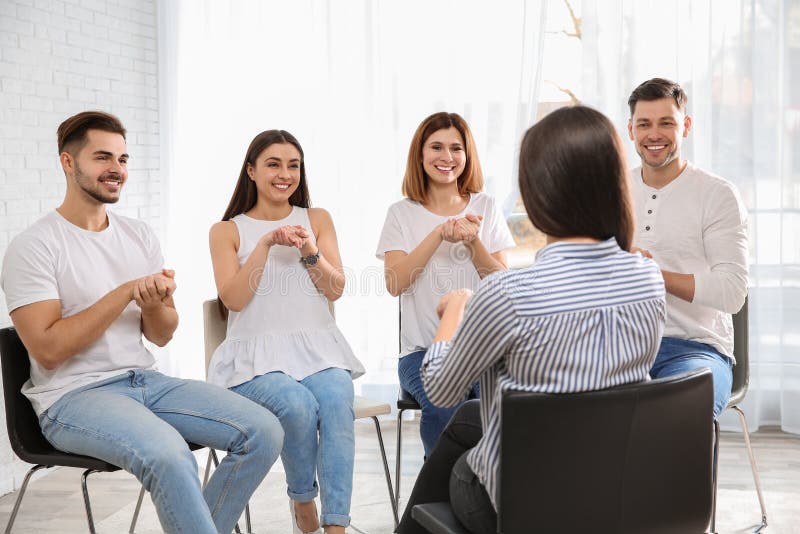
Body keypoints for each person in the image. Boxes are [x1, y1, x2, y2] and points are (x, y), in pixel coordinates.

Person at [0, 111, 283, 534]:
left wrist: (153, 305)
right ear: (67, 162)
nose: (117, 169)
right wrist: (126, 292)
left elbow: (162, 334)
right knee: (170, 454)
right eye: (102, 157)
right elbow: (47, 350)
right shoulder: (34, 246)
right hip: (72, 398)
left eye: (123, 158)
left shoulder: (138, 235)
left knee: (263, 430)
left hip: (144, 381)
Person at [396, 105, 667, 534]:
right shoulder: (648, 279)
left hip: (526, 499)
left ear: (537, 193)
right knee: (471, 417)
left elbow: (441, 389)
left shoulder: (509, 294)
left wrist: (455, 313)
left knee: (463, 459)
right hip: (615, 488)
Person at [208, 130, 365, 534]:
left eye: (293, 165)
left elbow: (336, 289)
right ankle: (303, 500)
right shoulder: (227, 230)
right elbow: (235, 300)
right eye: (273, 164)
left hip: (318, 351)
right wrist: (263, 245)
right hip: (253, 361)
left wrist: (308, 251)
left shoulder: (317, 219)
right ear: (251, 171)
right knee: (296, 406)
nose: (285, 174)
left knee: (335, 399)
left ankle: (335, 527)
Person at [376, 111, 516, 457]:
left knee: (499, 404)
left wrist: (473, 242)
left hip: (483, 351)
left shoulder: (486, 206)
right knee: (444, 399)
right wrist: (439, 233)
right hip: (420, 353)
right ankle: (437, 496)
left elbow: (504, 287)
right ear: (420, 155)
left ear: (467, 156)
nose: (447, 157)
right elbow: (395, 283)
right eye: (436, 147)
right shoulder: (401, 213)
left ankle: (485, 492)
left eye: (456, 148)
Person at [627, 78, 749, 418]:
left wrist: (654, 274)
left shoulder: (717, 195)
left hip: (695, 349)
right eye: (644, 124)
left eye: (666, 123)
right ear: (631, 130)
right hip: (622, 348)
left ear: (686, 126)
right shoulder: (613, 189)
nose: (654, 135)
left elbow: (732, 291)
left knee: (679, 411)